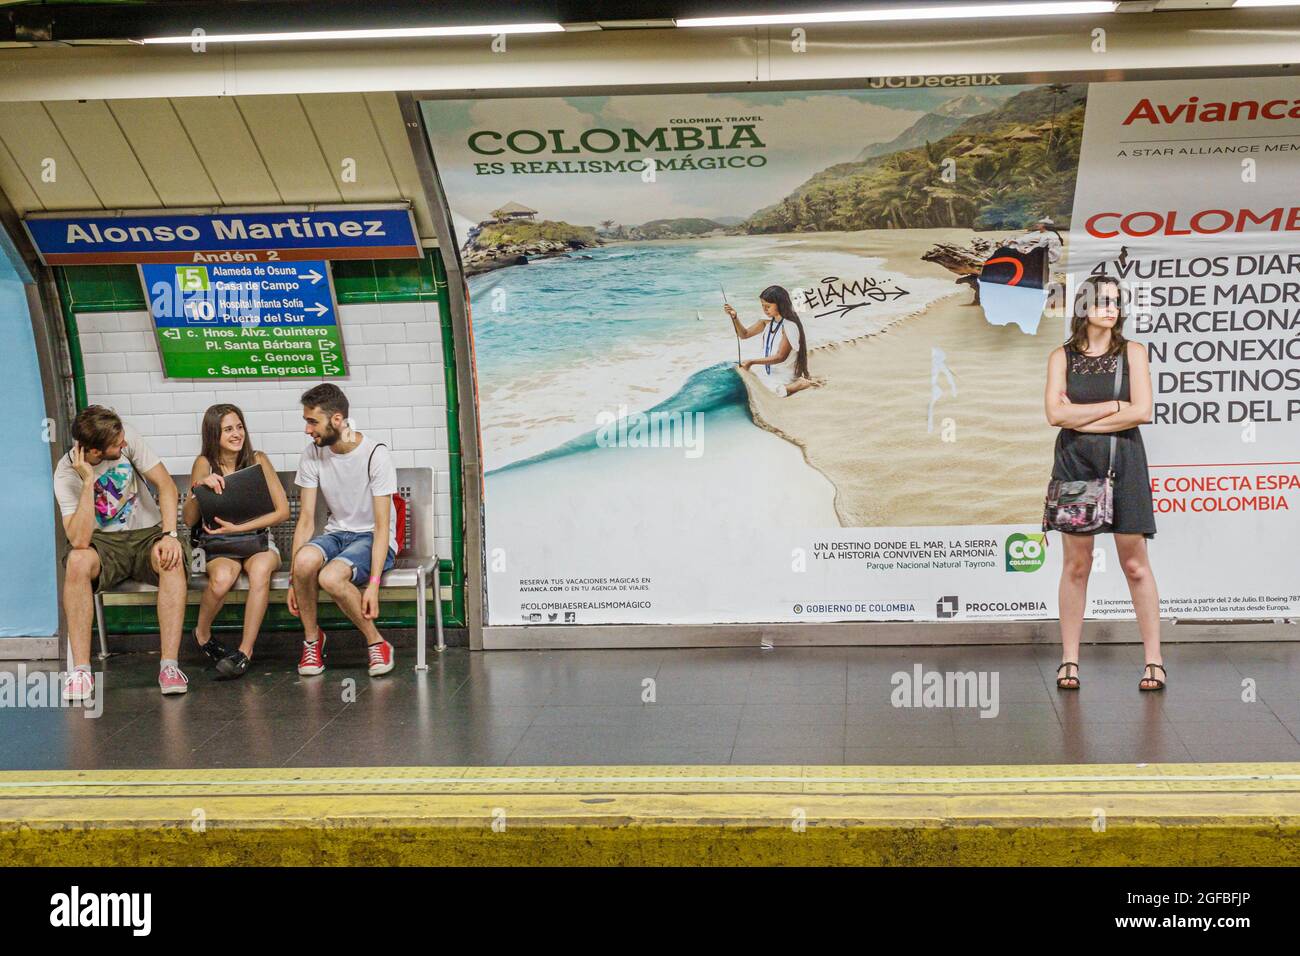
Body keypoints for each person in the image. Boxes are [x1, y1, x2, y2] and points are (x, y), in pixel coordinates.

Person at [1044, 275, 1163, 692]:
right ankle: (1070, 661)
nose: (1110, 308)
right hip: (1075, 464)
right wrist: (1116, 406)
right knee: (1076, 565)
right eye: (1101, 301)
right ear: (1082, 307)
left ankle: (1154, 661)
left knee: (1135, 565)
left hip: (1125, 462)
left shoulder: (1133, 352)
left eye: (1115, 301)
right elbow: (1055, 417)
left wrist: (1086, 415)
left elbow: (1143, 412)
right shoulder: (1062, 357)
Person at [53, 406, 191, 698]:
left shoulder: (127, 439)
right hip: (103, 545)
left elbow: (166, 487)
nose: (124, 444)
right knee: (77, 562)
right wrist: (88, 482)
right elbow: (78, 540)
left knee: (172, 559)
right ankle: (80, 672)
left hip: (146, 536)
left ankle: (169, 666)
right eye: (116, 445)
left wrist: (170, 535)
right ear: (94, 451)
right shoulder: (67, 474)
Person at [287, 383, 397, 677]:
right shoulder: (312, 454)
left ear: (337, 419)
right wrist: (293, 580)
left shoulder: (376, 455)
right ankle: (312, 640)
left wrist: (373, 583)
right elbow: (307, 519)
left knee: (331, 577)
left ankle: (377, 642)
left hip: (372, 538)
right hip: (338, 534)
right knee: (303, 561)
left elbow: (384, 528)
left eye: (313, 422)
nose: (308, 430)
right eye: (307, 422)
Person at [183, 403, 290, 680]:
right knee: (222, 578)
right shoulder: (204, 463)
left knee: (260, 570)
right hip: (220, 544)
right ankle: (202, 633)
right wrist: (198, 489)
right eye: (228, 429)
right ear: (213, 434)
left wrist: (239, 527)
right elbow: (188, 519)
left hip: (257, 540)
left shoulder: (258, 459)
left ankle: (245, 652)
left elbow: (282, 511)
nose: (236, 434)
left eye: (239, 427)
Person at [724, 284, 818, 396]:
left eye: (768, 306)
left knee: (768, 392)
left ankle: (799, 384)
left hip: (784, 372)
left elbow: (780, 356)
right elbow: (744, 334)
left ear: (780, 305)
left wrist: (753, 361)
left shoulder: (789, 326)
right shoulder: (767, 321)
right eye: (762, 305)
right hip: (769, 370)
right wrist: (735, 317)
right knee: (744, 378)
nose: (765, 309)